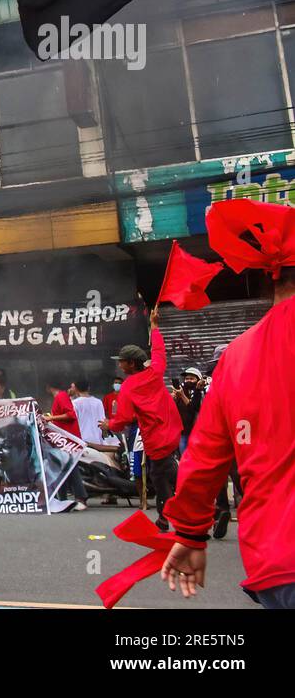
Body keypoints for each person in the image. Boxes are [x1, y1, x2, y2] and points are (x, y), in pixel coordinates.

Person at [149, 200, 295, 607]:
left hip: (276, 565)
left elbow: (203, 457)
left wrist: (190, 533)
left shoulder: (237, 357)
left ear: (269, 277)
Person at [101, 307, 182, 530]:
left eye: (122, 361)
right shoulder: (155, 371)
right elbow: (159, 351)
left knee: (169, 477)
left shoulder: (128, 387)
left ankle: (209, 510)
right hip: (172, 431)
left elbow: (123, 418)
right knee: (161, 475)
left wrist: (109, 424)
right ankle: (164, 517)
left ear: (132, 364)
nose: (119, 364)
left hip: (156, 439)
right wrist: (154, 327)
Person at [43, 379, 87, 509]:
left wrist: (51, 418)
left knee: (69, 468)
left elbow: (70, 414)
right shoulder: (62, 396)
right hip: (64, 439)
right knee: (63, 467)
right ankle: (62, 498)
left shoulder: (60, 396)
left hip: (67, 440)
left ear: (47, 387)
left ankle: (81, 497)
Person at [70, 379, 112, 445]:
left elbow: (72, 422)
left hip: (82, 441)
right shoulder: (98, 402)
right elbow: (103, 422)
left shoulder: (74, 403)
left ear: (76, 389)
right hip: (97, 440)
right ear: (88, 388)